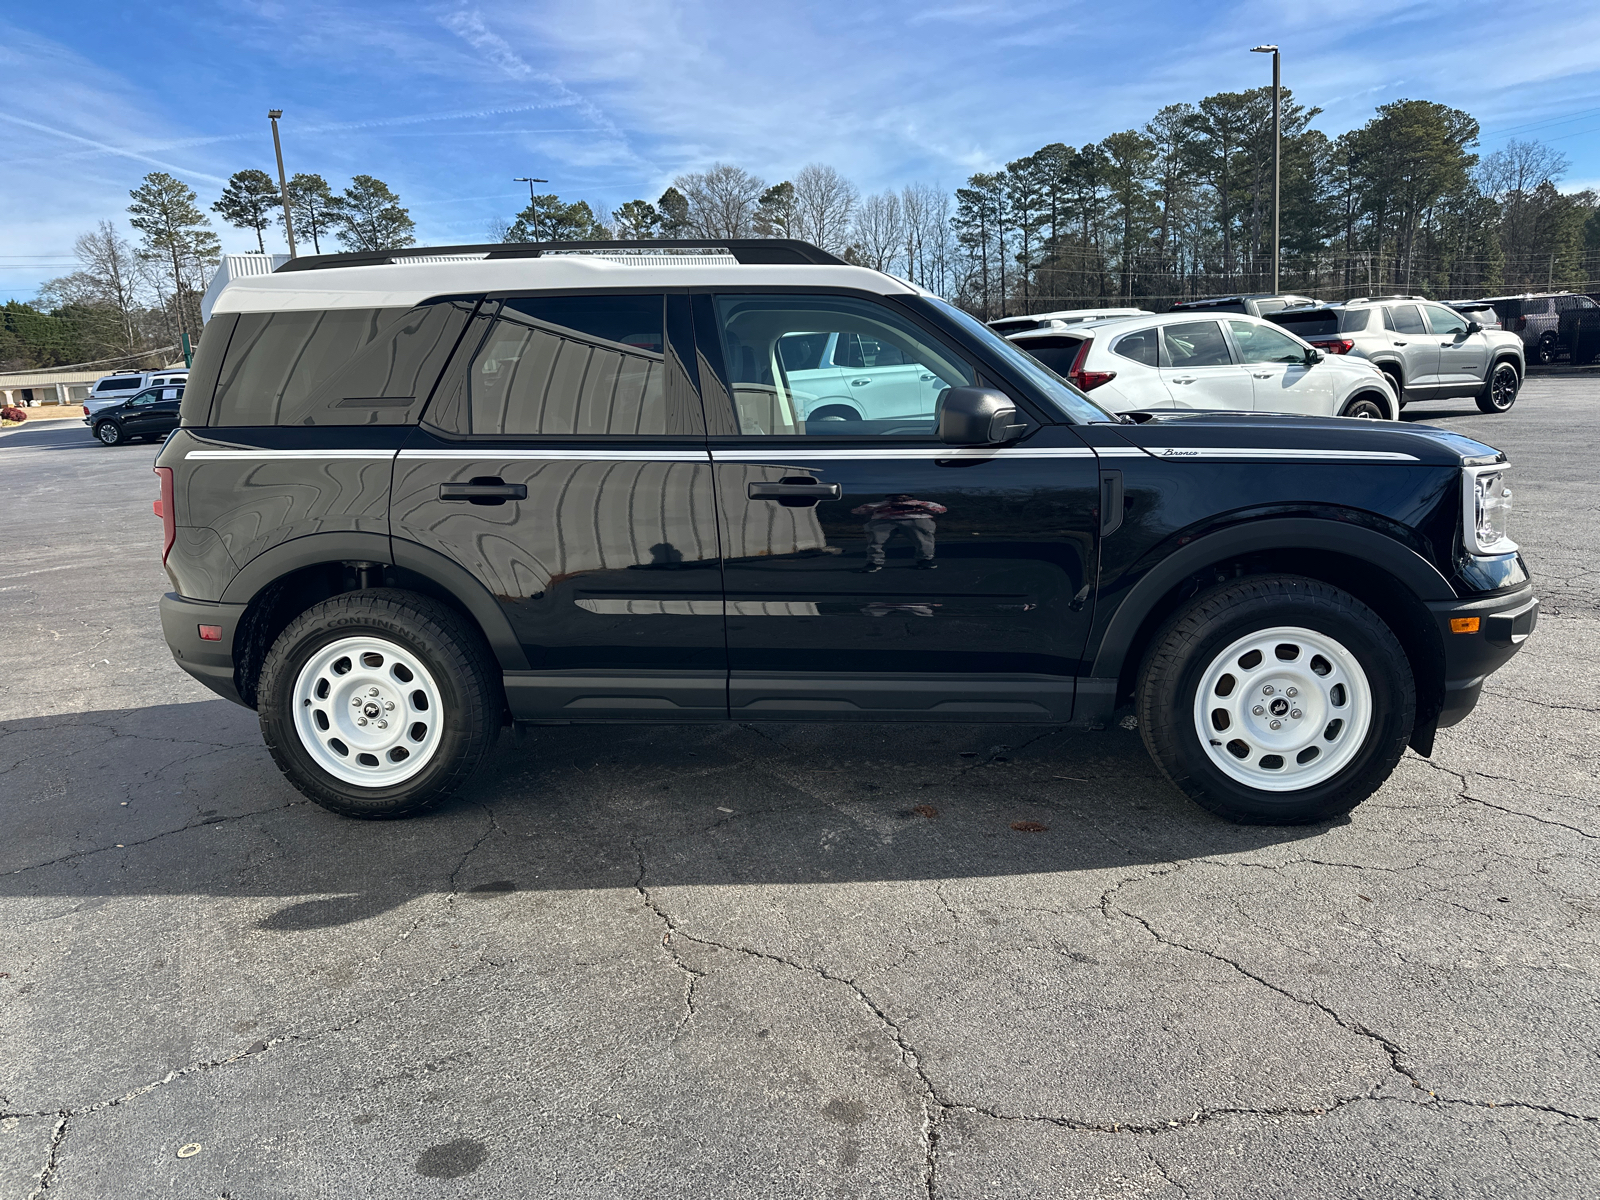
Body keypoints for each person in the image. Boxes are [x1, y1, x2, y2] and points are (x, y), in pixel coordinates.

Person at [852, 494, 946, 572]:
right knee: (876, 541)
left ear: (910, 496)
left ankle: (925, 560)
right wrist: (886, 506)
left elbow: (941, 509)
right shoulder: (877, 504)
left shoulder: (923, 503)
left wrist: (919, 507)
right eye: (895, 496)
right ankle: (874, 562)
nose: (900, 498)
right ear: (888, 497)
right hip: (883, 521)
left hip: (916, 519)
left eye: (903, 496)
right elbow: (857, 511)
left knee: (923, 540)